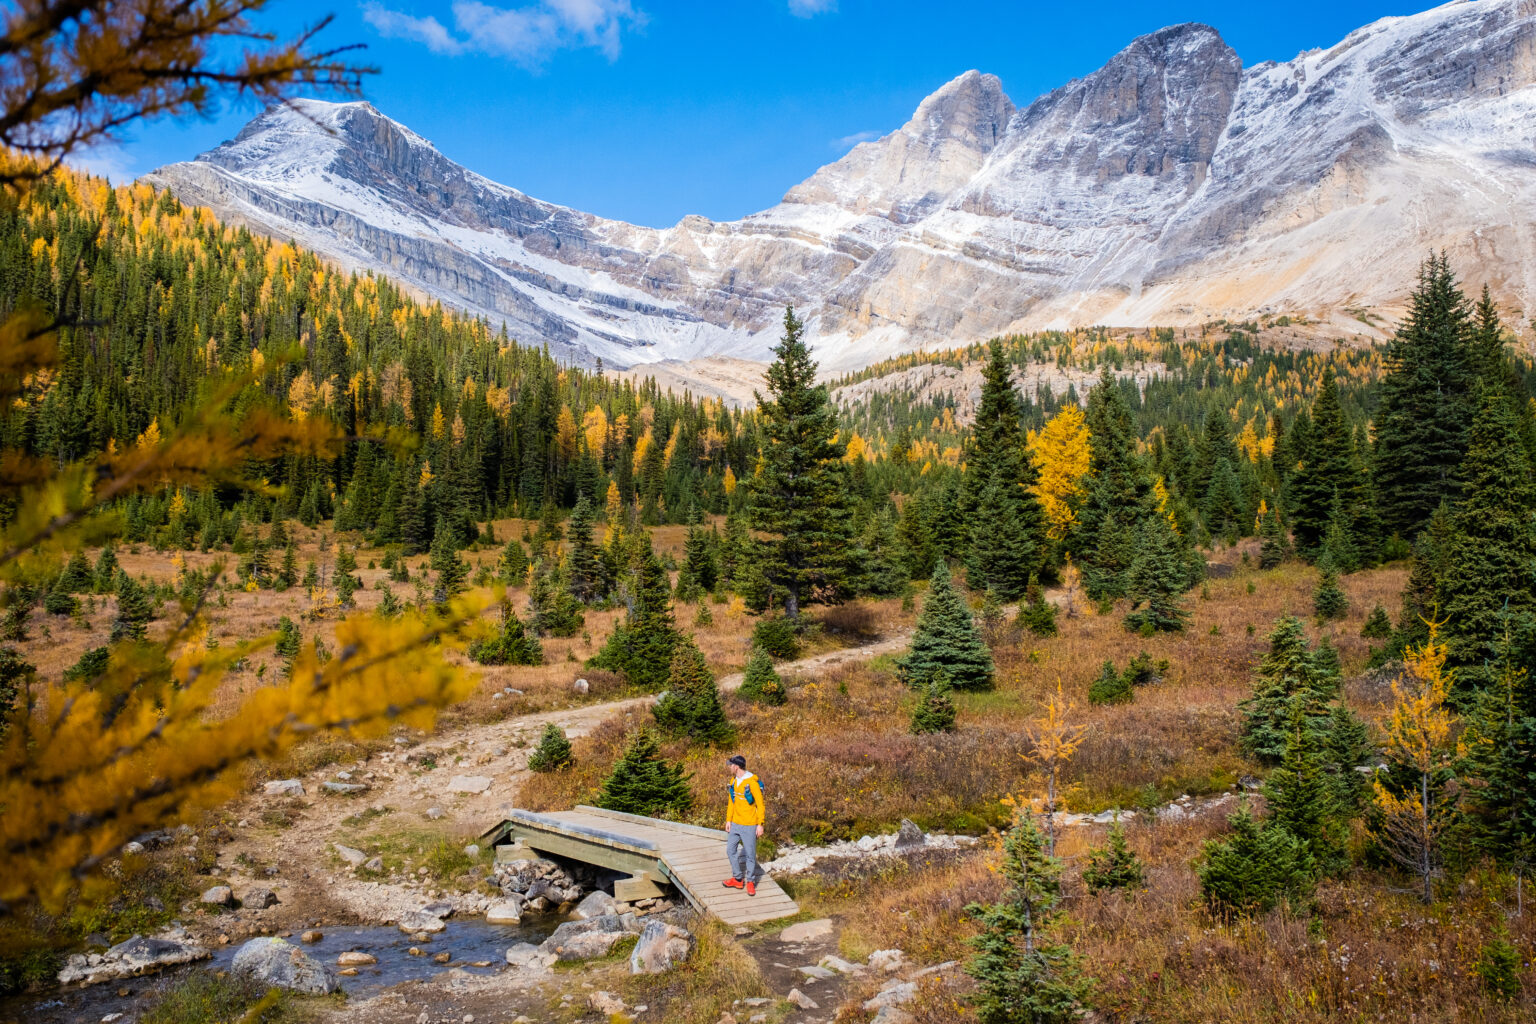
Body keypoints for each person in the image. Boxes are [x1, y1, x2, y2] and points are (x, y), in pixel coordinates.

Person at [722, 753, 765, 896]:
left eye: (731, 765)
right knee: (730, 850)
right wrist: (728, 820)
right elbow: (731, 802)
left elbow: (760, 804)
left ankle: (751, 882)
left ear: (737, 766)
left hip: (750, 824)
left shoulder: (751, 782)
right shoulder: (733, 781)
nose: (729, 767)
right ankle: (738, 878)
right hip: (735, 823)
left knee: (750, 854)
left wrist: (760, 824)